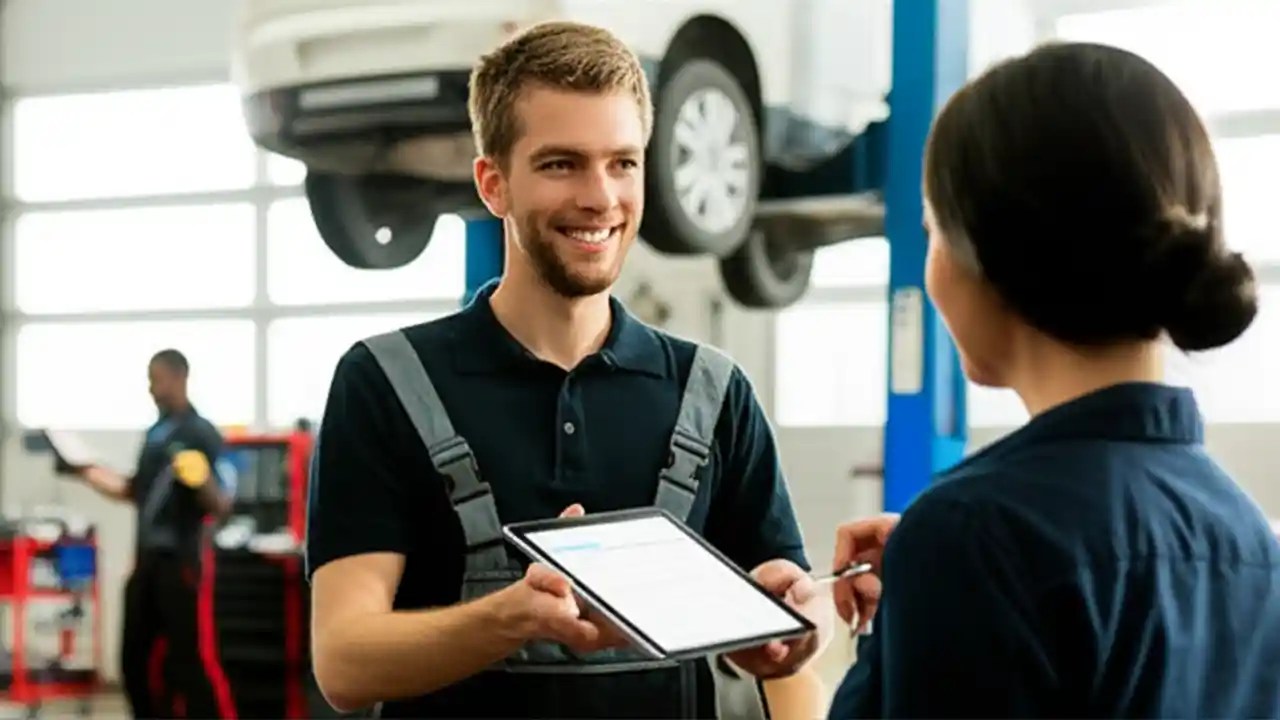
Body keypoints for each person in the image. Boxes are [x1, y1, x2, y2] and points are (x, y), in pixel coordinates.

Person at [304, 20, 830, 720]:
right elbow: (343, 661)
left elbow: (787, 658)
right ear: (493, 184)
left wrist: (793, 629)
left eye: (623, 162)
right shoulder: (386, 382)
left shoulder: (712, 393)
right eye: (561, 164)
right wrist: (513, 617)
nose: (600, 197)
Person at [824, 41, 1280, 718]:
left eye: (932, 232)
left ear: (992, 252)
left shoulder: (972, 534)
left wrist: (945, 566)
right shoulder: (1247, 538)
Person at [73, 349, 235, 719]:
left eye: (157, 378)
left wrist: (203, 479)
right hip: (145, 563)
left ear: (180, 376)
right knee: (134, 661)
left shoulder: (201, 432)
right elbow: (133, 490)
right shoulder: (154, 433)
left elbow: (222, 504)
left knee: (188, 663)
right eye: (149, 379)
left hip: (181, 563)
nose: (151, 388)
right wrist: (85, 471)